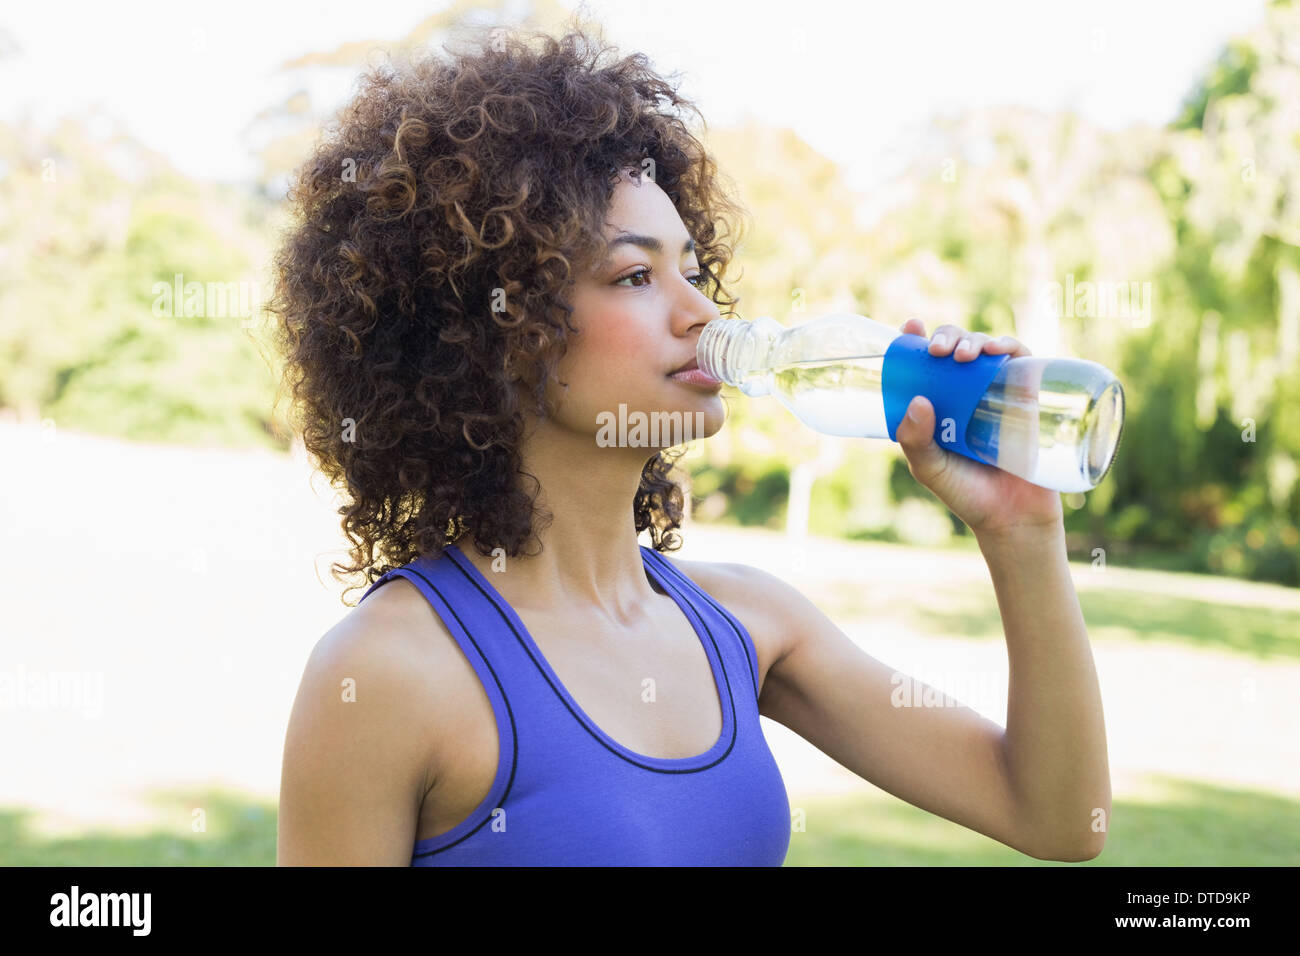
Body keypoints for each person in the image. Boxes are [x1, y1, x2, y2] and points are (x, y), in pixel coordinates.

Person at [272, 23, 1109, 866]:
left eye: (693, 271)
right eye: (635, 275)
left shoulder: (750, 624)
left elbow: (1058, 820)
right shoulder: (388, 672)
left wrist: (1021, 533)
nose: (702, 312)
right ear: (495, 330)